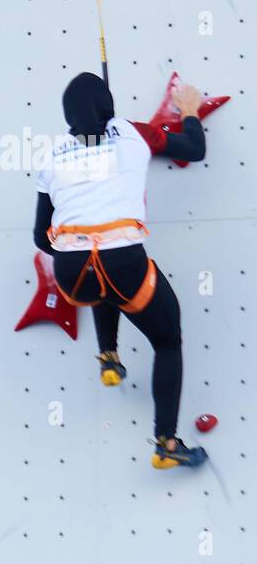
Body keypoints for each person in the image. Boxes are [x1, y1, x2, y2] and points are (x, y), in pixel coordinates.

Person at [33, 72, 208, 469]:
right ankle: (166, 443)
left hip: (71, 271)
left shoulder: (51, 155)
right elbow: (194, 149)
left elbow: (41, 237)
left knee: (99, 281)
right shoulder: (133, 134)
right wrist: (190, 111)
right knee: (167, 340)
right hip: (123, 263)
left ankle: (108, 357)